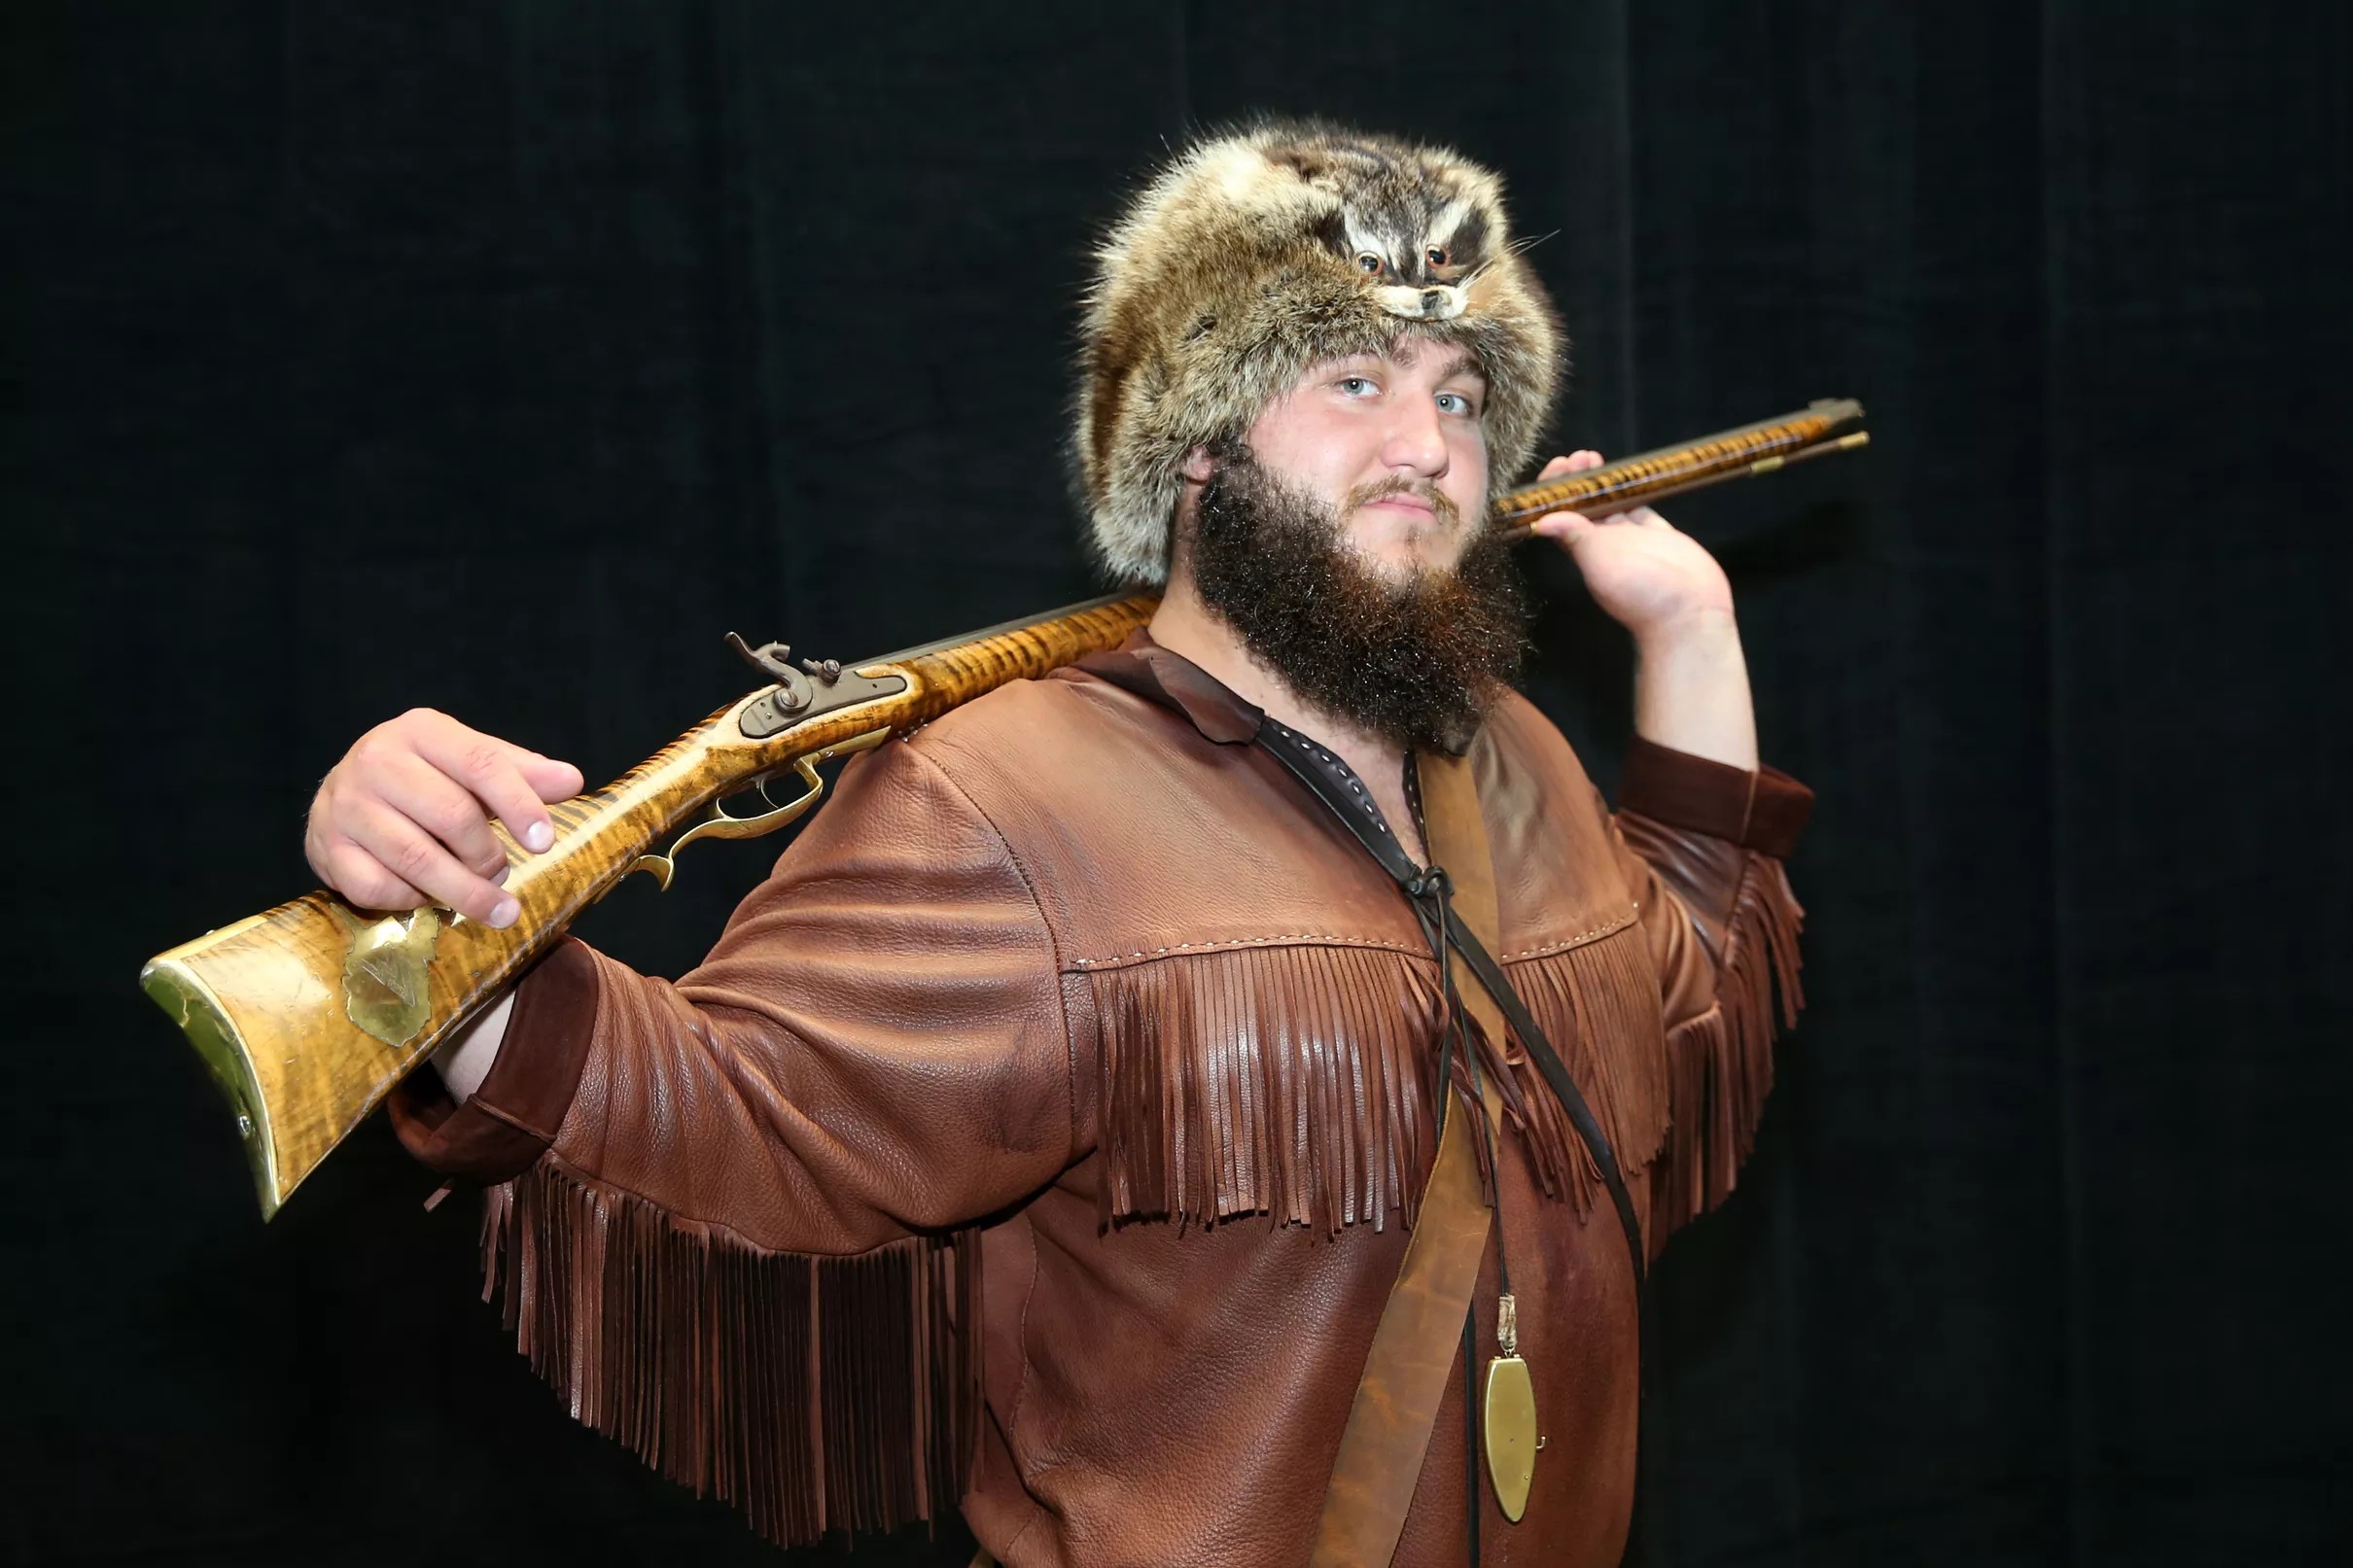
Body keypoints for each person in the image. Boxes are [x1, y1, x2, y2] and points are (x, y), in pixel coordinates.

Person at [303, 122, 1810, 1567]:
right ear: (1199, 442)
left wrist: (1694, 629)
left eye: (1465, 393)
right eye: (1354, 378)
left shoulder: (1522, 757)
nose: (1430, 443)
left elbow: (1678, 1029)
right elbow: (733, 1124)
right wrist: (450, 917)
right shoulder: (1003, 796)